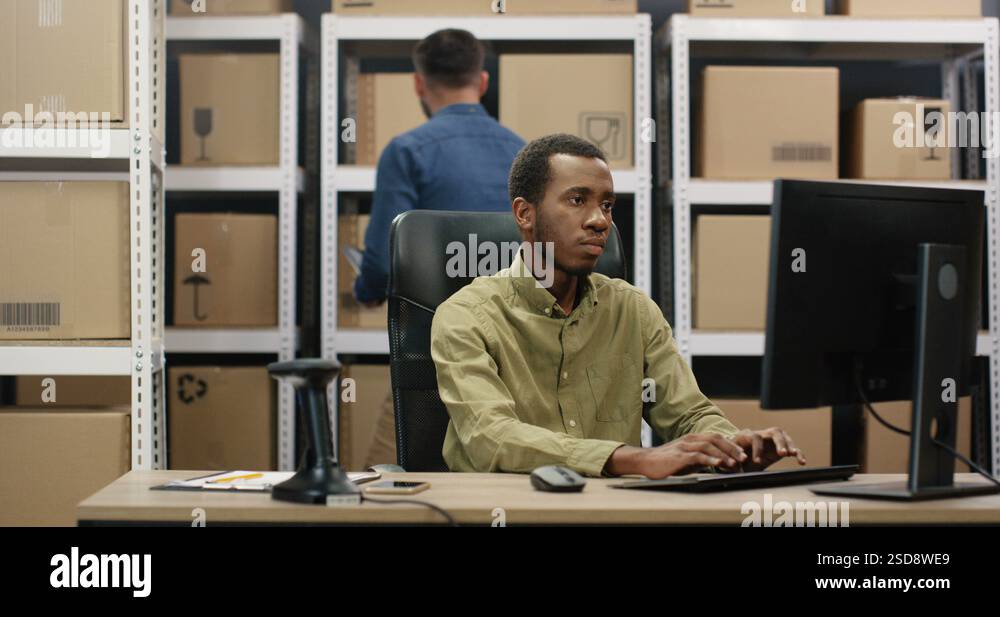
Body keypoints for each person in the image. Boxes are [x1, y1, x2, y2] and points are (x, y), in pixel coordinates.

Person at [430, 134, 808, 478]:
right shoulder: (465, 316)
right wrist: (633, 458)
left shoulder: (633, 310)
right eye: (578, 200)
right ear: (525, 214)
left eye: (607, 205)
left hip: (610, 512)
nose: (600, 221)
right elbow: (490, 437)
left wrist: (731, 445)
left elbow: (688, 413)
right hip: (505, 513)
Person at [354, 29, 525, 467]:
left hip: (428, 359)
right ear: (482, 81)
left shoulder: (407, 151)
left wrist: (368, 288)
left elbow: (380, 261)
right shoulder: (526, 155)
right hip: (516, 359)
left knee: (394, 484)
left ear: (418, 83)